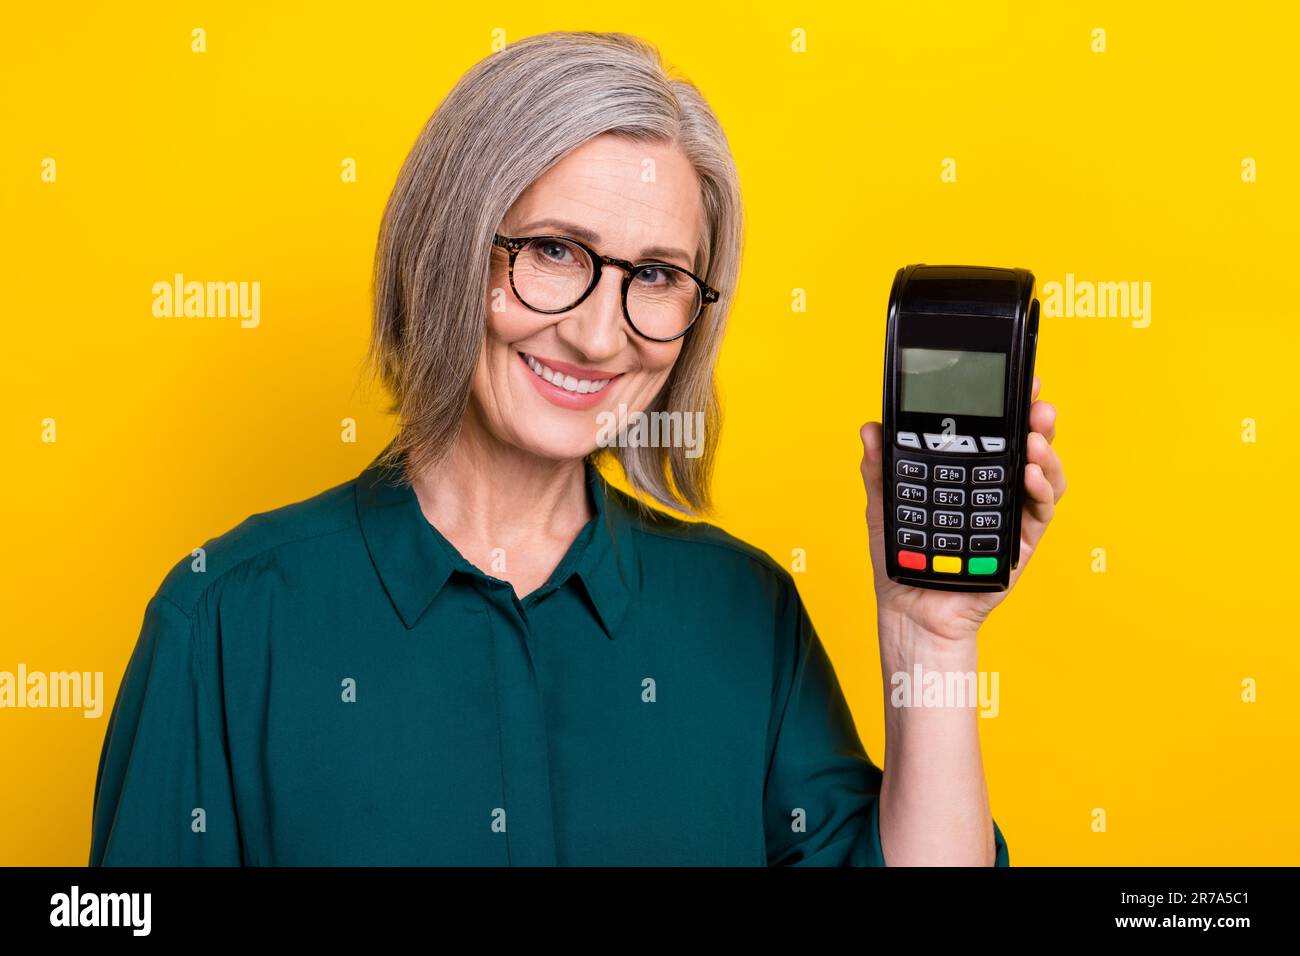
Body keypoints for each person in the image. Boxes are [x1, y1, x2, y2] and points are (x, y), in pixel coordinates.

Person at [90, 30, 1065, 866]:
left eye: (654, 274)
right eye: (554, 250)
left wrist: (931, 641)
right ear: (447, 250)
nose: (600, 336)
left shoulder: (745, 613)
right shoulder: (222, 621)